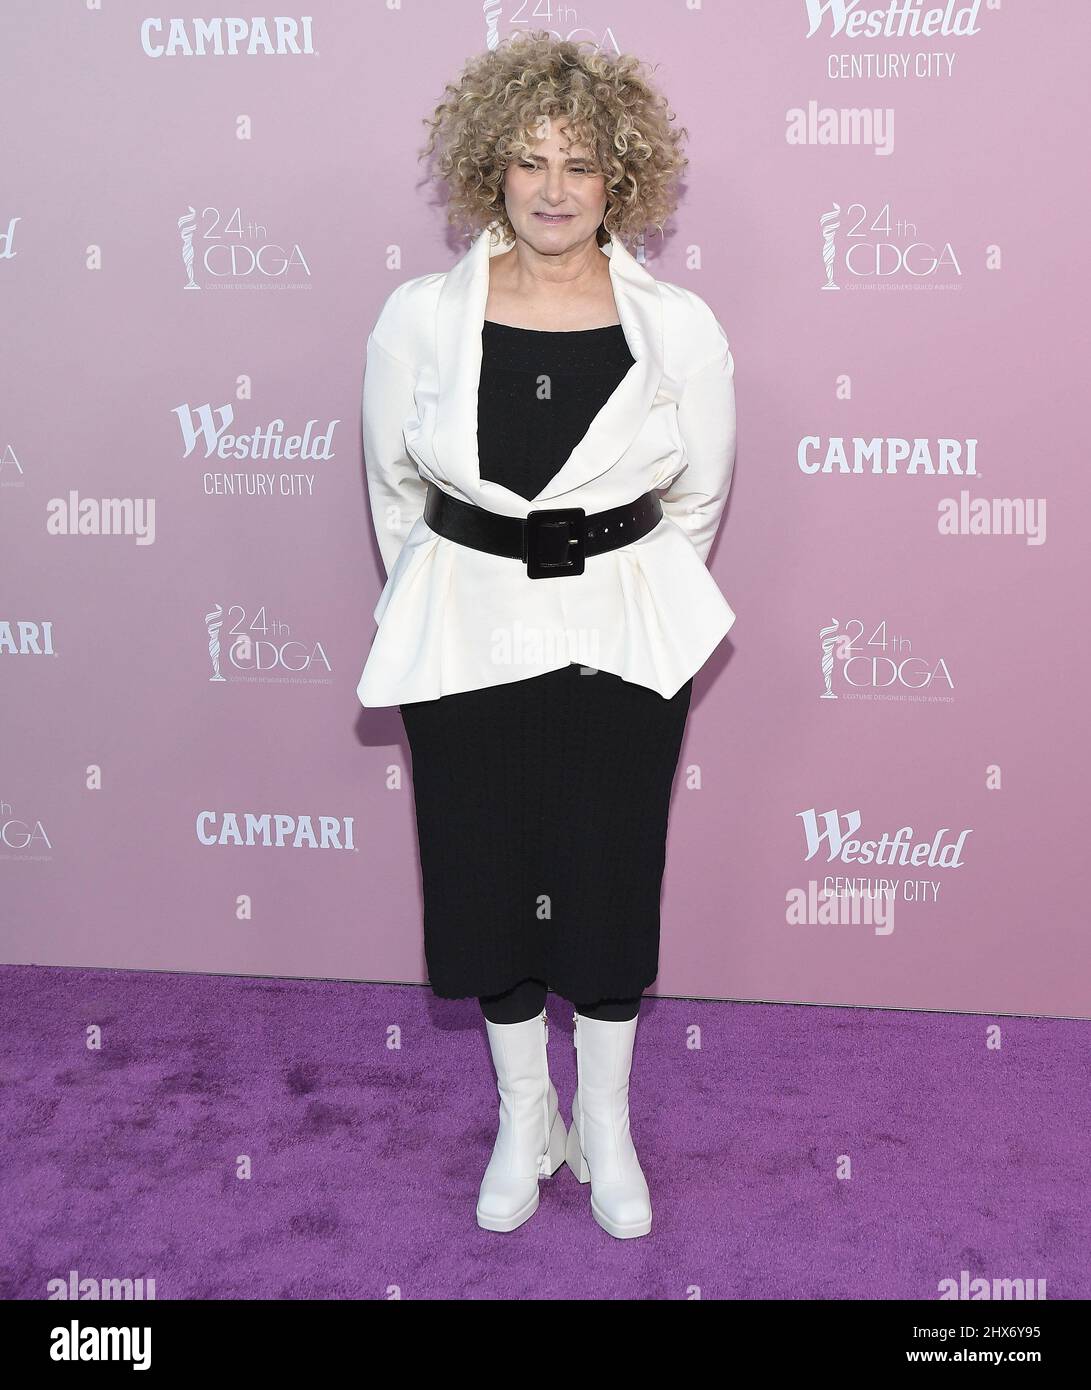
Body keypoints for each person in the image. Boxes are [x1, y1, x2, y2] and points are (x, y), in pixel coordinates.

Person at [357, 31, 738, 1239]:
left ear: (620, 176)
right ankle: (526, 1117)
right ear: (493, 169)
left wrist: (622, 589)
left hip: (619, 637)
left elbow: (695, 500)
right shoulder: (418, 319)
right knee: (484, 876)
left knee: (606, 877)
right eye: (530, 160)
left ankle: (605, 1123)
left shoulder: (679, 326)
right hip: (464, 635)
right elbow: (395, 496)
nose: (555, 188)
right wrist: (454, 591)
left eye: (580, 163)